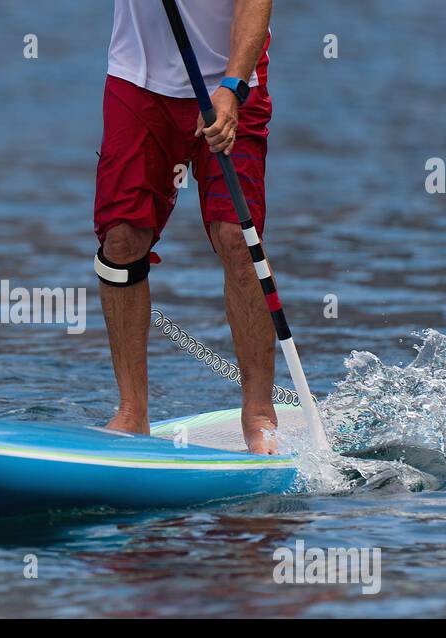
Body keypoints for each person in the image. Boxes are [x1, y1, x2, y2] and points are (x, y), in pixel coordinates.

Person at [94, 0, 277, 453]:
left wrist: (232, 88)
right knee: (121, 239)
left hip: (229, 85)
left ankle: (258, 414)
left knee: (236, 237)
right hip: (137, 82)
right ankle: (132, 413)